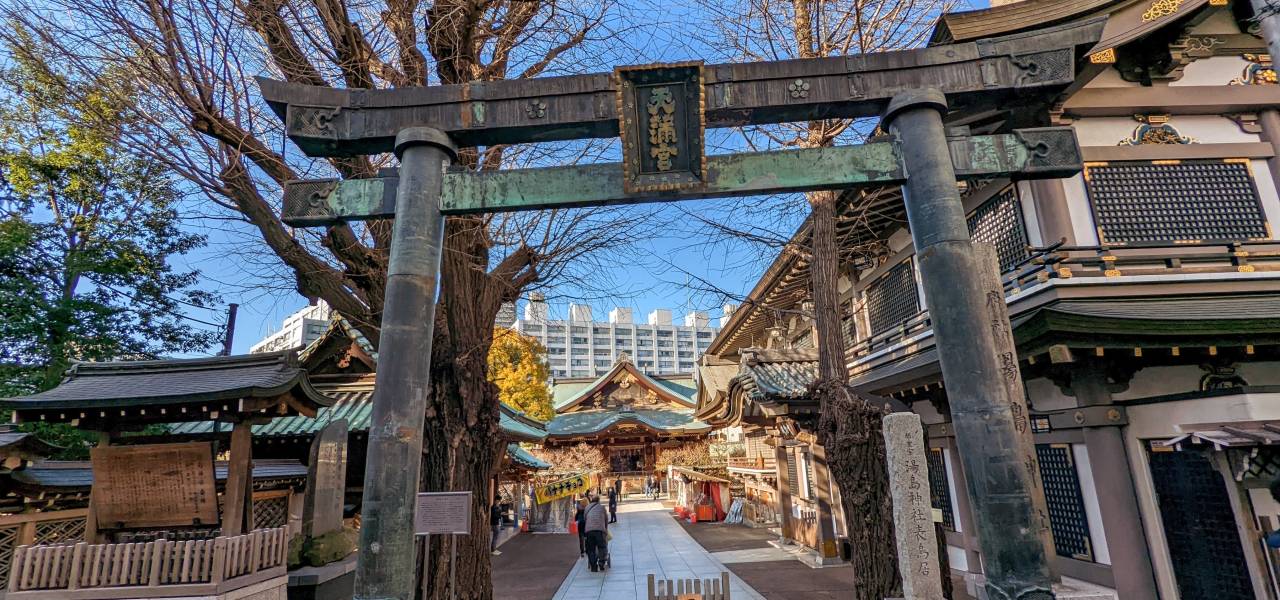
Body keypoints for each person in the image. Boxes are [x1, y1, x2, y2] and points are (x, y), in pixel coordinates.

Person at [583, 493, 609, 572]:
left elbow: (585, 518)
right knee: (602, 547)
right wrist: (605, 530)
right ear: (598, 500)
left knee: (591, 549)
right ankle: (601, 564)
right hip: (599, 531)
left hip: (589, 531)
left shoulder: (587, 507)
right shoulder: (602, 507)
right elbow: (606, 519)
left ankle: (593, 566)